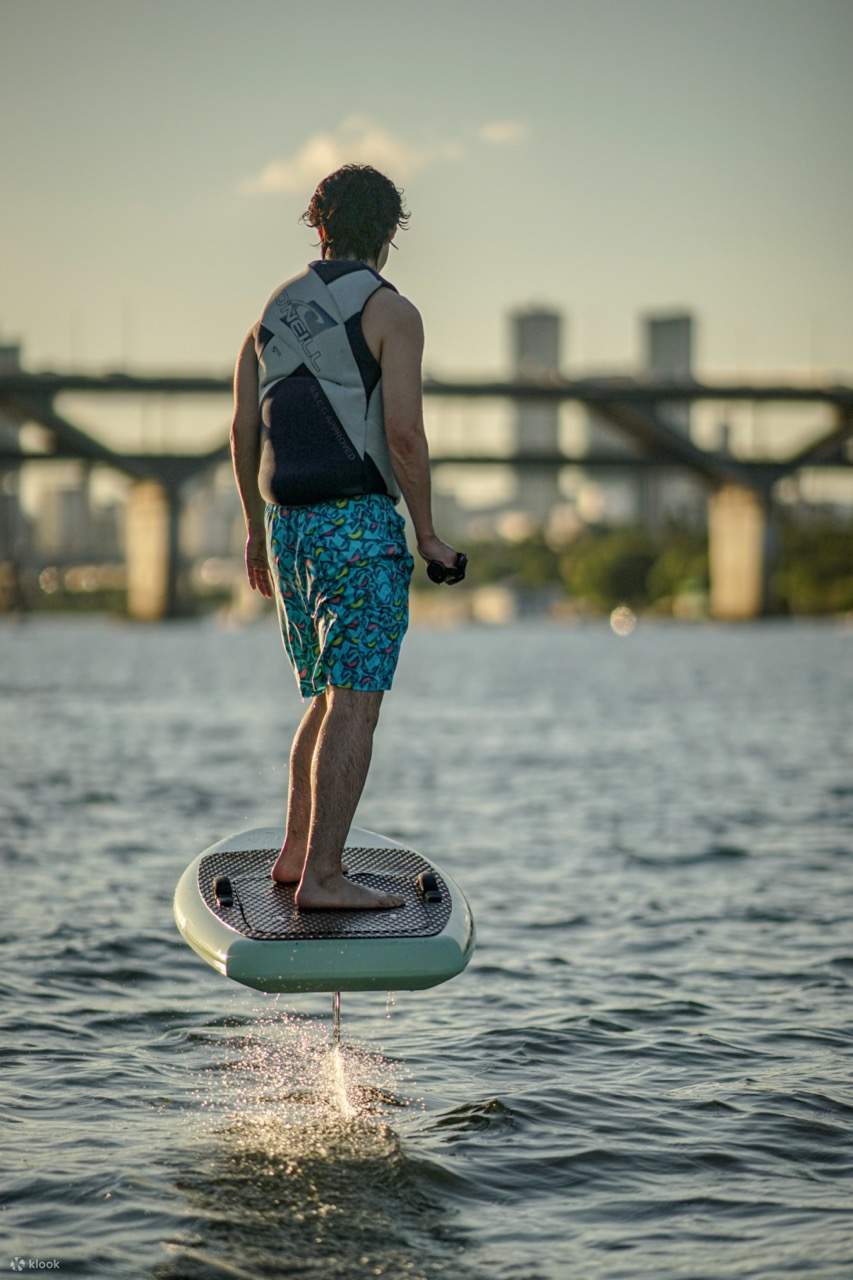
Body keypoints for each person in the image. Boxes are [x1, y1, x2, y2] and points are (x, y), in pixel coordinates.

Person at [229, 163, 462, 910]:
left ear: (316, 224)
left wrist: (254, 531)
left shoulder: (268, 313)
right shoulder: (392, 313)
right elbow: (402, 432)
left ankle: (297, 858)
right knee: (356, 701)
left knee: (327, 698)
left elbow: (242, 429)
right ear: (390, 232)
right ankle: (325, 878)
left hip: (289, 530)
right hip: (355, 523)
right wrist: (426, 534)